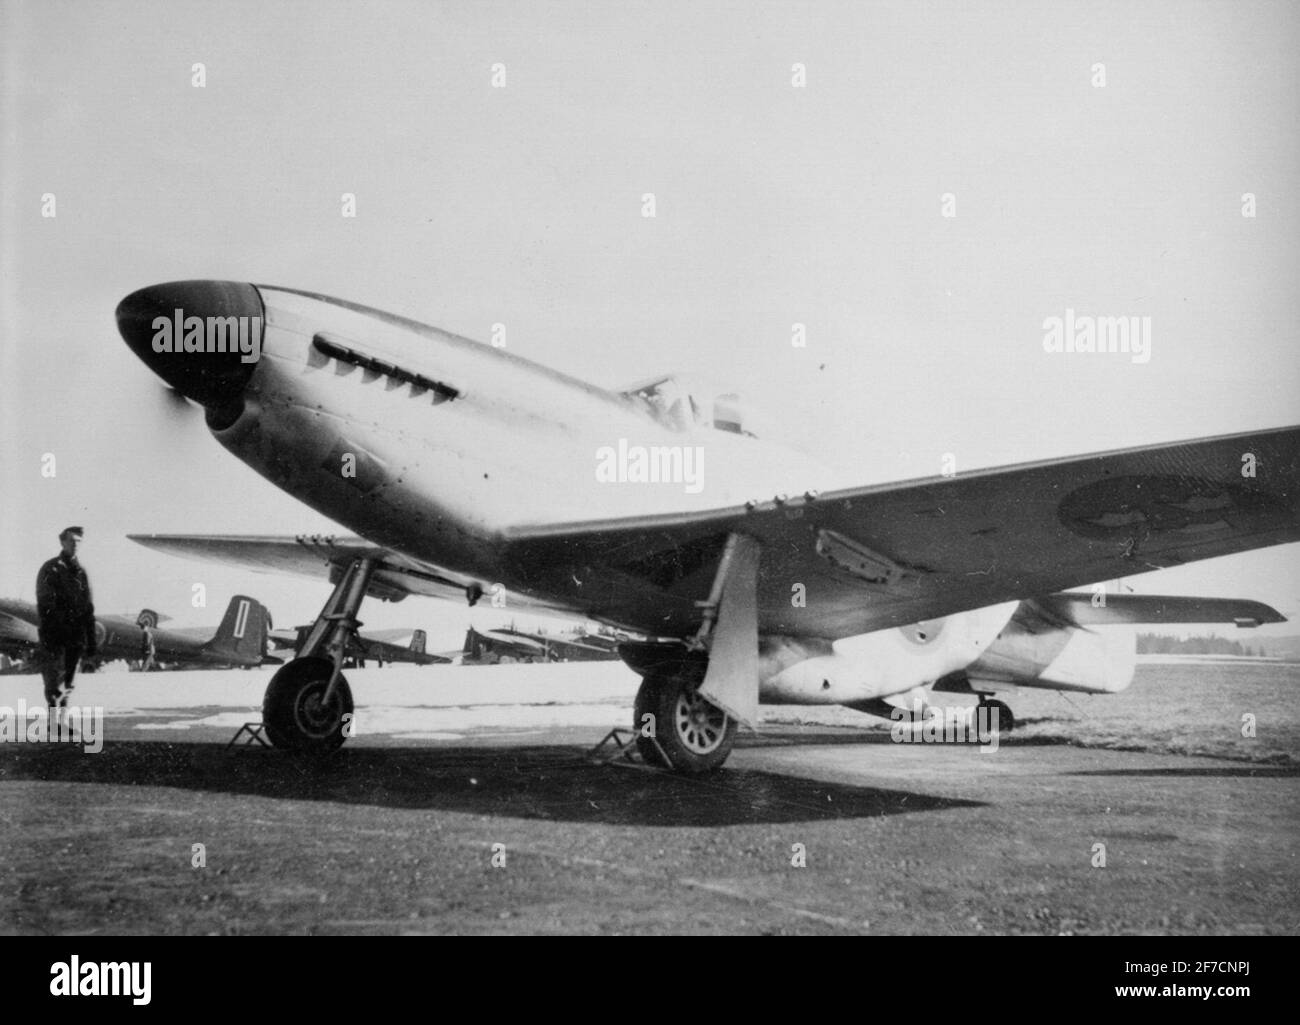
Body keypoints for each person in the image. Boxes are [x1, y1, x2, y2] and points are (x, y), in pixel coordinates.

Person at [36, 526, 97, 709]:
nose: (75, 544)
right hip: (55, 637)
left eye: (78, 541)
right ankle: (54, 726)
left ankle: (60, 724)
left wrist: (91, 642)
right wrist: (56, 631)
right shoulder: (50, 568)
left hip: (75, 638)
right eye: (71, 540)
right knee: (54, 686)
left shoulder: (82, 572)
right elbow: (45, 604)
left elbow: (88, 608)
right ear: (62, 542)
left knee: (69, 684)